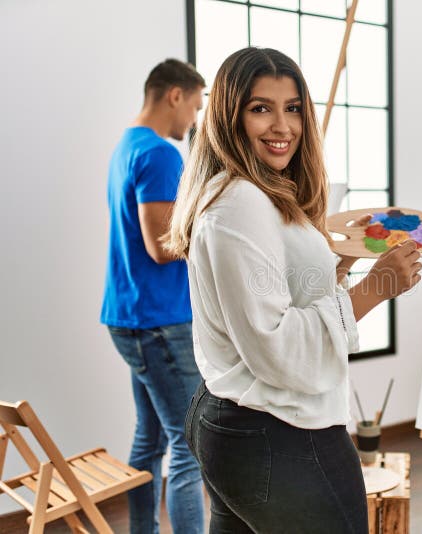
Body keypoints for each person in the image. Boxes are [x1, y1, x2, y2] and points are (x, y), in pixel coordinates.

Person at [166, 47, 421, 533]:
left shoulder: (251, 191)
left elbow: (273, 290)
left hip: (237, 423)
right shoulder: (241, 203)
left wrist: (340, 259)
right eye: (261, 108)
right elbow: (275, 345)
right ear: (229, 116)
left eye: (293, 108)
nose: (282, 126)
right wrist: (377, 286)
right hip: (278, 431)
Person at [100, 59, 206, 533]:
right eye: (196, 106)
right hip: (159, 321)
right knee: (189, 445)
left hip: (128, 314)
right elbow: (162, 248)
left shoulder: (126, 145)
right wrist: (210, 227)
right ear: (175, 96)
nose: (194, 121)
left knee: (150, 440)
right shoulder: (162, 154)